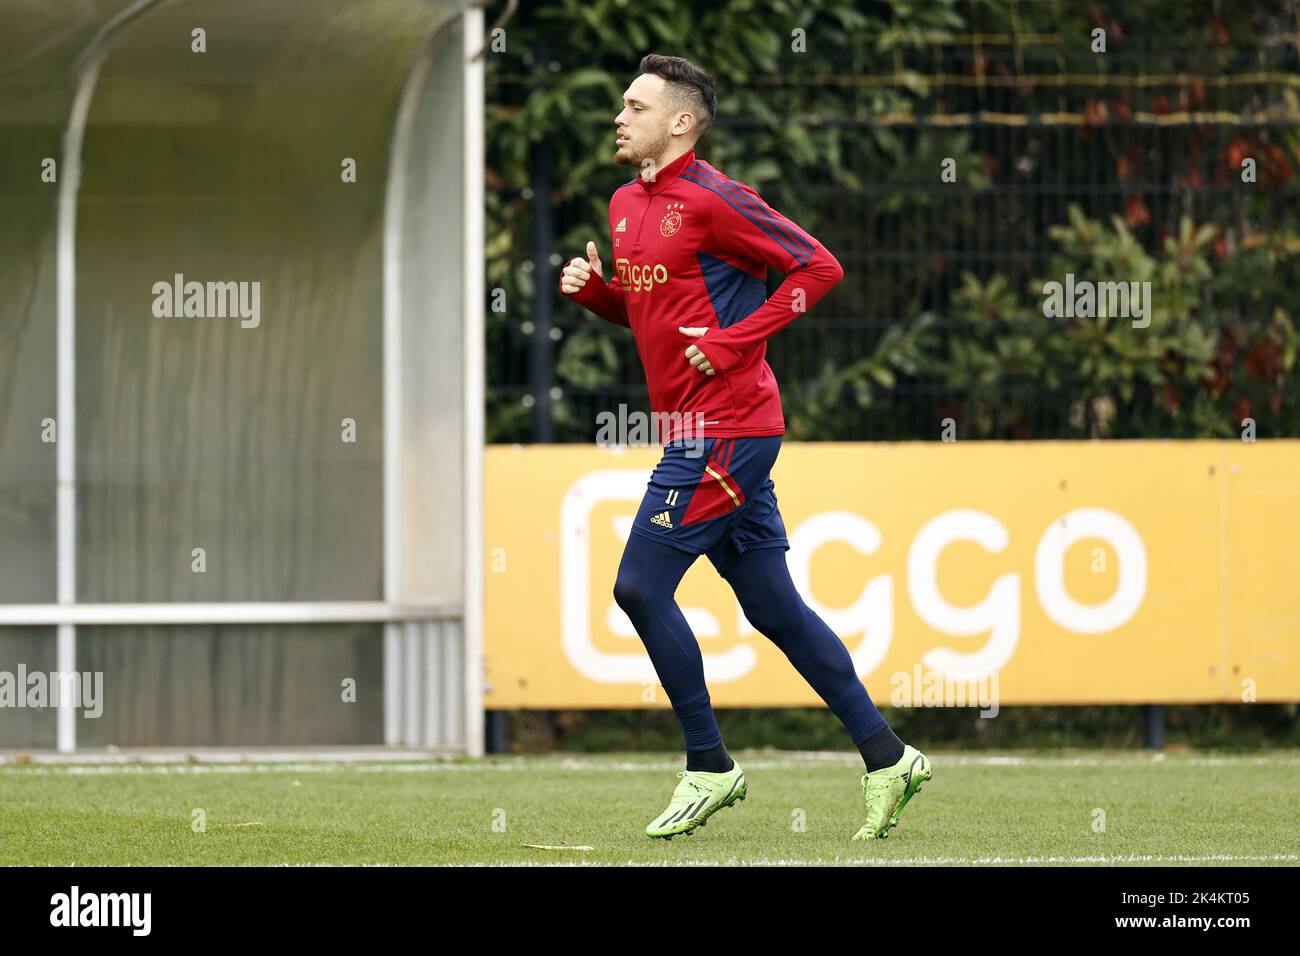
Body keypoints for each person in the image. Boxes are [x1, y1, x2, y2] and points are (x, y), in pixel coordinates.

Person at [559, 53, 932, 841]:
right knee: (773, 606)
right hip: (702, 428)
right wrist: (601, 298)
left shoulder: (719, 200)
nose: (619, 117)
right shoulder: (626, 202)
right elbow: (654, 317)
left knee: (638, 586)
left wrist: (736, 343)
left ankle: (710, 765)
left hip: (725, 428)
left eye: (635, 106)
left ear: (681, 122)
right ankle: (888, 756)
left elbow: (817, 266)